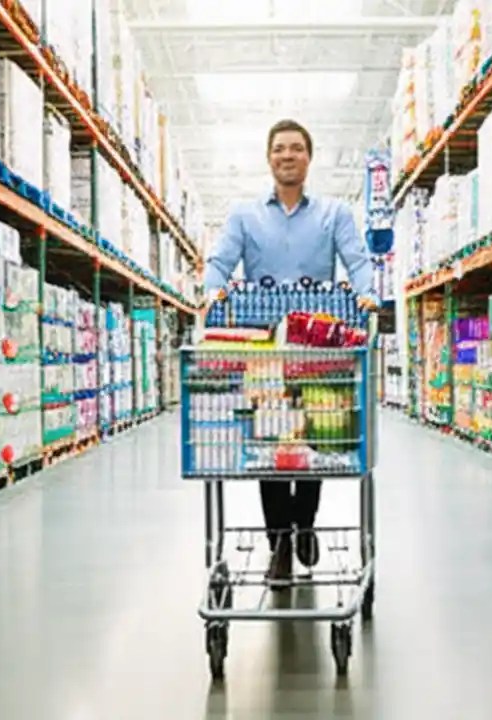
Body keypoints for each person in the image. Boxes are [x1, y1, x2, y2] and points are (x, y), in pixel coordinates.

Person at [203, 119, 378, 582]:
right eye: (279, 148)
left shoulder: (333, 214)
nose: (287, 155)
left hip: (318, 343)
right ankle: (278, 541)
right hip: (264, 346)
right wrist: (212, 291)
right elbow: (220, 263)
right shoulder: (245, 216)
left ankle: (306, 525)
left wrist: (366, 294)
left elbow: (357, 261)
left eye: (296, 148)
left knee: (316, 432)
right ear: (269, 158)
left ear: (308, 157)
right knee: (272, 438)